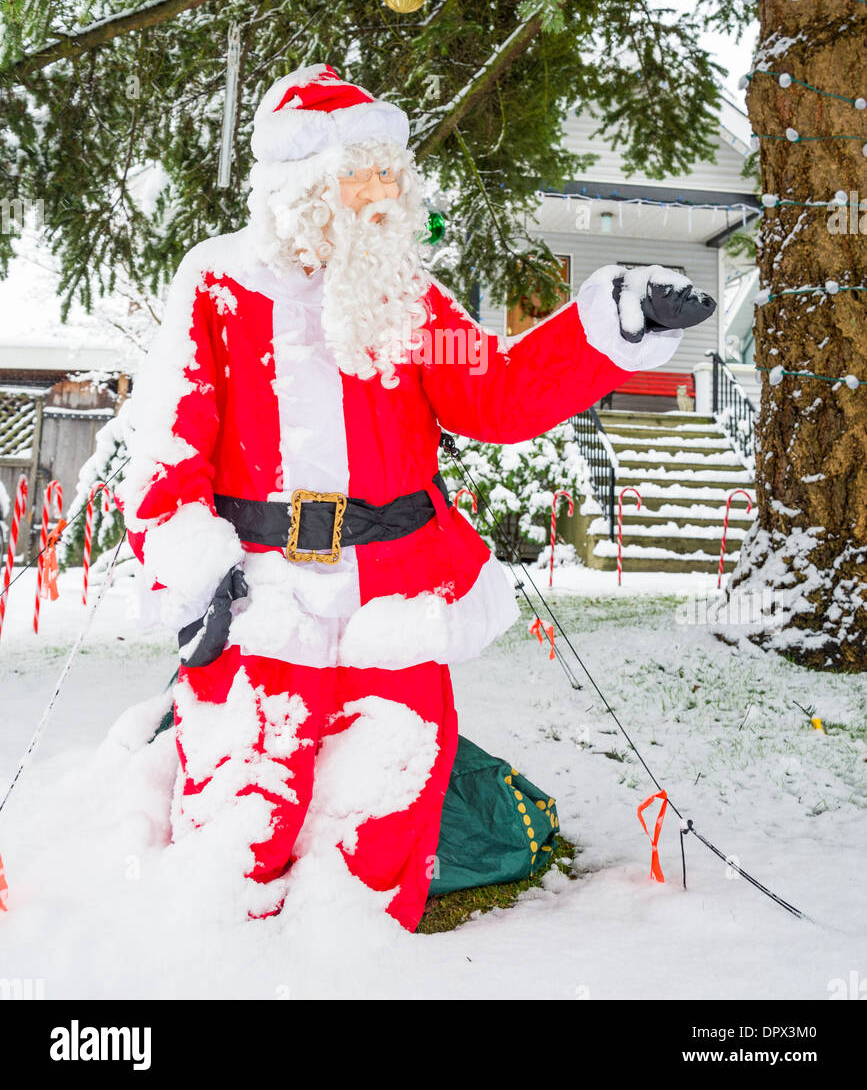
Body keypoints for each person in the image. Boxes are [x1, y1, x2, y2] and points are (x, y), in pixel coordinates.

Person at [119, 63, 715, 930]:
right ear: (303, 187)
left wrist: (610, 324)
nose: (384, 190)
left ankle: (358, 977)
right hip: (262, 599)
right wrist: (188, 566)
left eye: (390, 170)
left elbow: (496, 394)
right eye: (361, 171)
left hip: (394, 601)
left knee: (385, 815)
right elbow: (168, 445)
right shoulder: (218, 284)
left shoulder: (401, 294)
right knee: (245, 820)